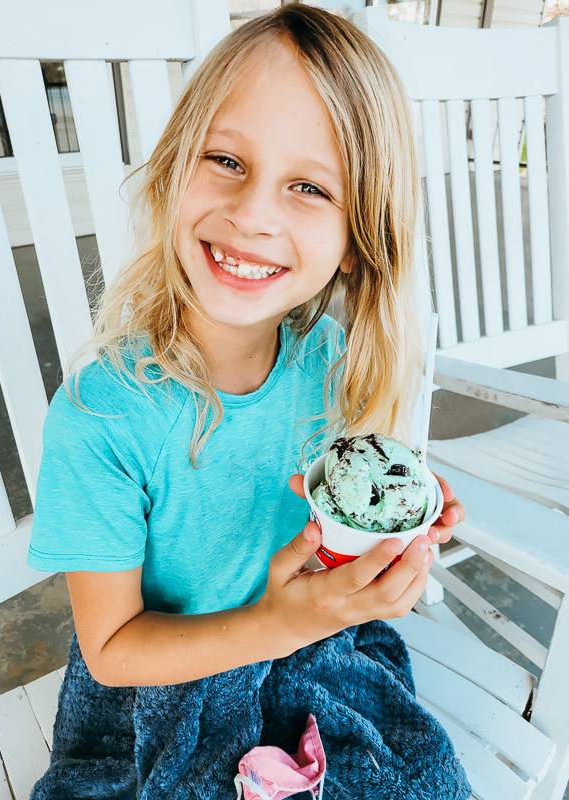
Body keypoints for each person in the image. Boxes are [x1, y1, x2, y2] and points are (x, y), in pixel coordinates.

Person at [27, 3, 466, 796]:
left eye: (307, 186)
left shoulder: (328, 362)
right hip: (157, 684)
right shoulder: (102, 418)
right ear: (172, 170)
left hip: (307, 650)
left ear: (358, 242)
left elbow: (324, 515)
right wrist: (277, 623)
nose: (253, 214)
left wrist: (391, 515)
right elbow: (113, 650)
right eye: (226, 160)